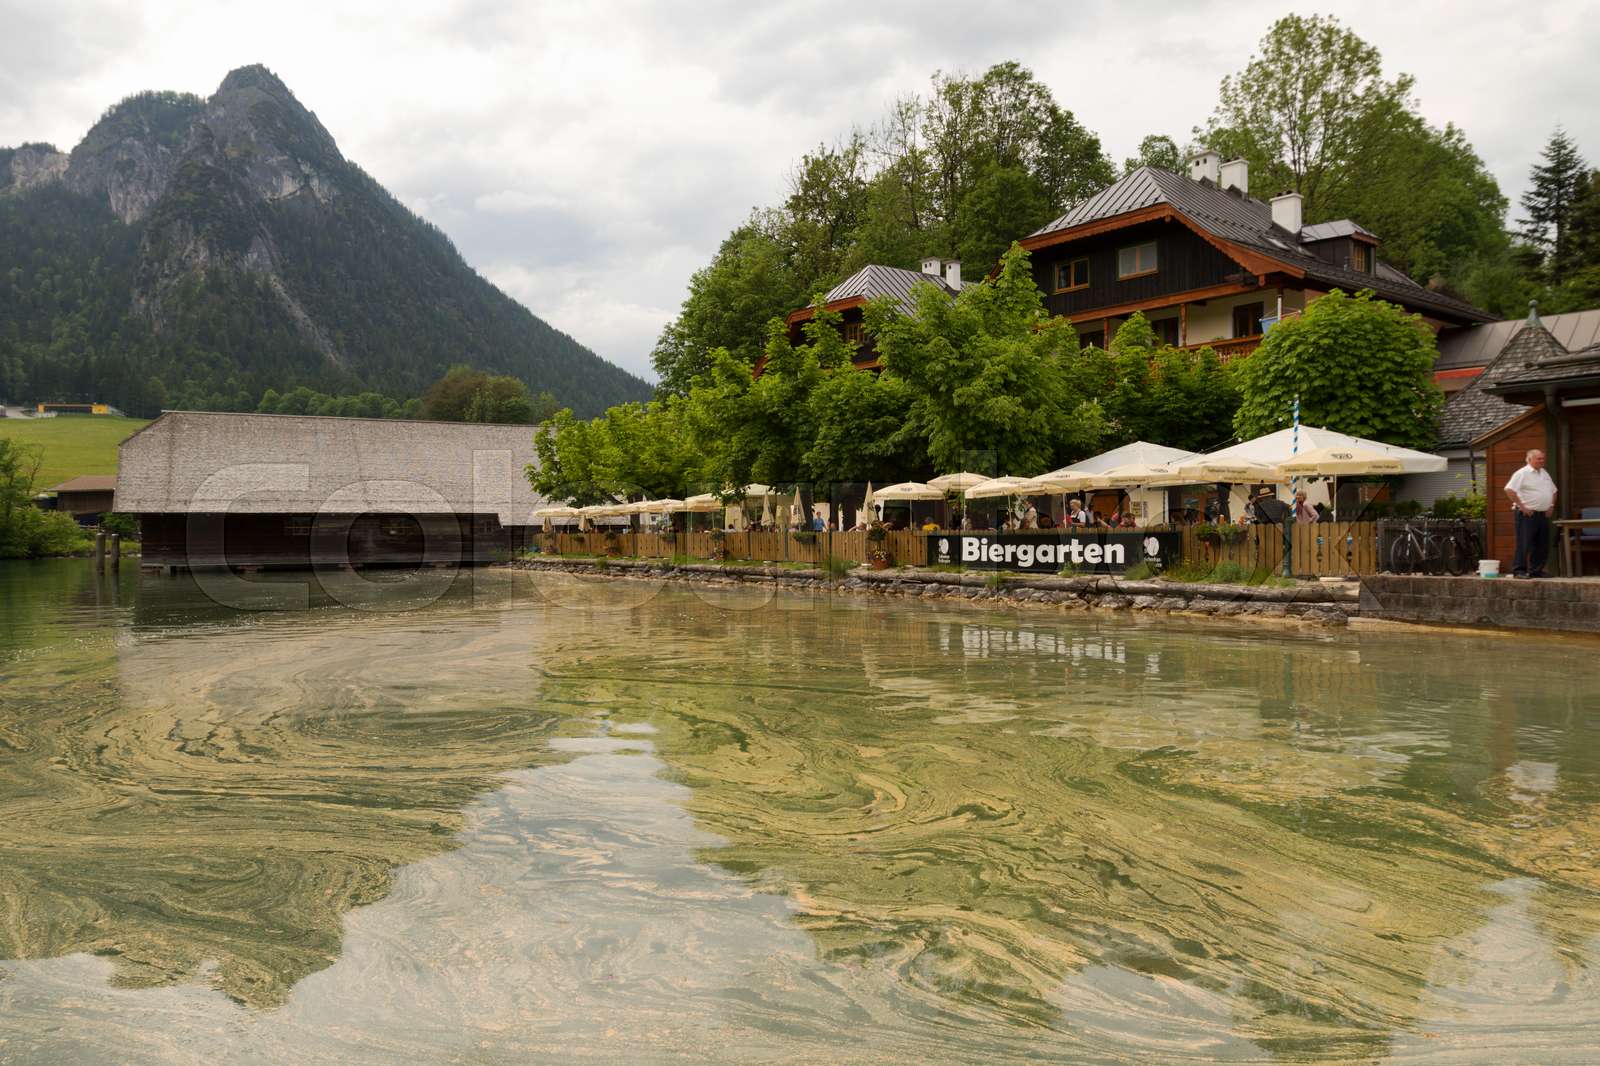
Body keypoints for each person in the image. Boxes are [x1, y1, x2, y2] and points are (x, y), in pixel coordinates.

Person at [1505, 448, 1557, 578]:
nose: (1542, 461)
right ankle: (1519, 571)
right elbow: (1509, 490)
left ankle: (1536, 570)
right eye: (1538, 458)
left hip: (1542, 514)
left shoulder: (1544, 473)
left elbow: (1554, 491)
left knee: (1542, 544)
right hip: (1526, 515)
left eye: (1543, 458)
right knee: (1524, 543)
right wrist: (1521, 506)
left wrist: (1551, 505)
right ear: (1529, 459)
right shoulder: (1522, 473)